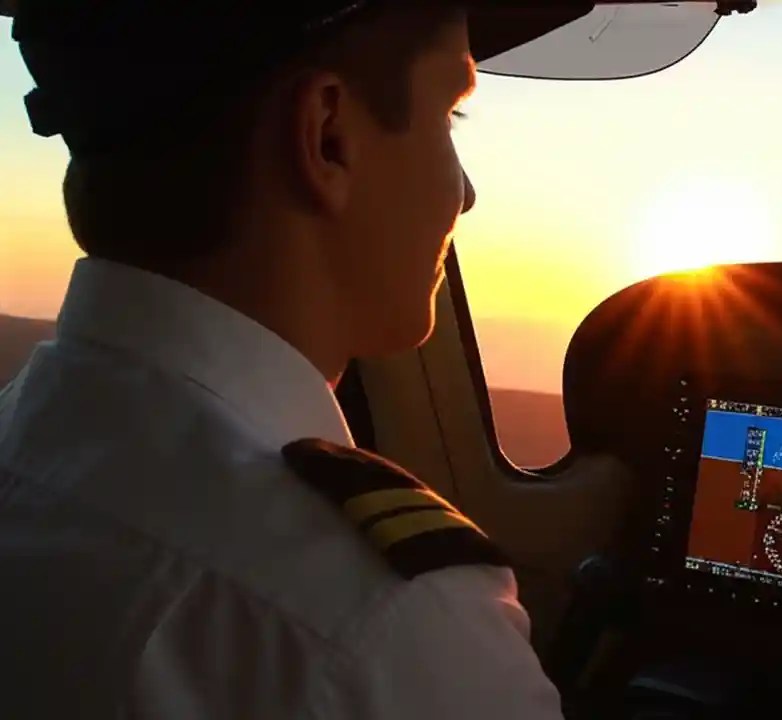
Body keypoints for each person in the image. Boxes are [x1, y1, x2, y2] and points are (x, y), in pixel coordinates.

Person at [0, 2, 588, 717]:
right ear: (327, 136)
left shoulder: (26, 451)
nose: (465, 194)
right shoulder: (385, 625)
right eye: (448, 117)